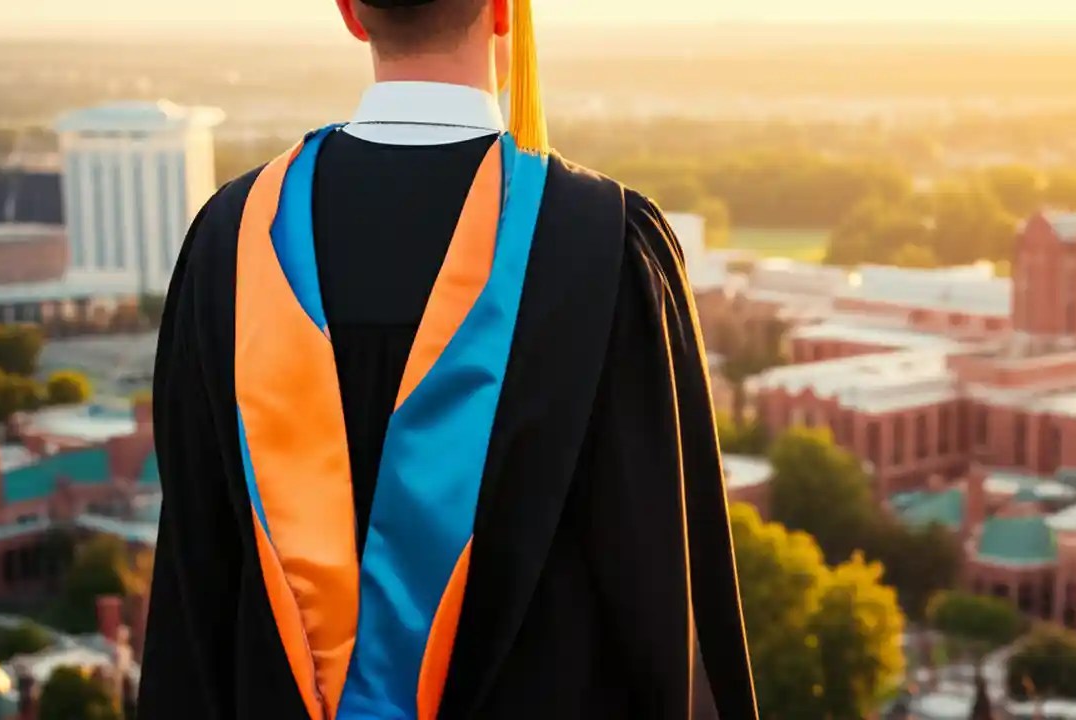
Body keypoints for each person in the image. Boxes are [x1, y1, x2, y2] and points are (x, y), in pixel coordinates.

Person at [138, 0, 758, 718]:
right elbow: (662, 604)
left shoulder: (233, 241)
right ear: (503, 11)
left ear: (349, 12)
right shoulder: (601, 247)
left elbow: (194, 598)